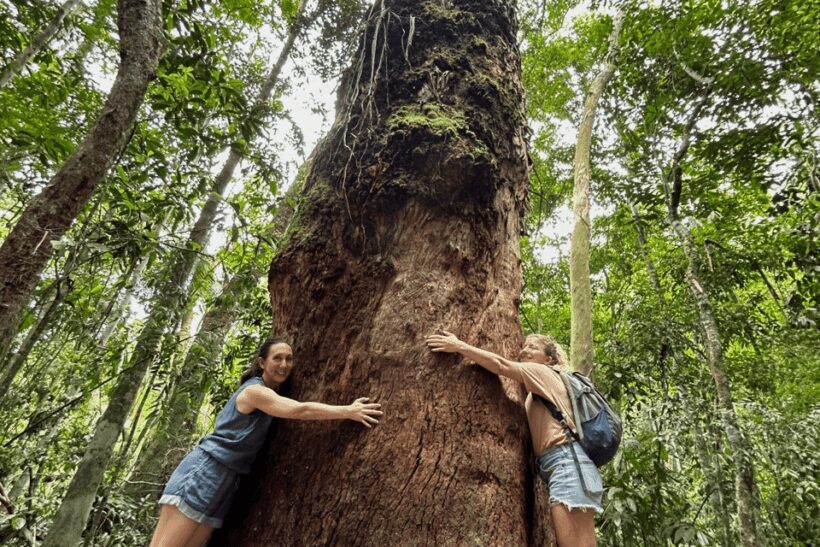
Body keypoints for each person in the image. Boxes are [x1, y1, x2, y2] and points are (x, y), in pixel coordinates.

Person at [149, 338, 383, 547]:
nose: (284, 364)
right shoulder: (255, 392)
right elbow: (299, 410)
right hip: (205, 470)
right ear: (262, 362)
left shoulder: (270, 393)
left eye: (289, 359)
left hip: (226, 480)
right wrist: (349, 411)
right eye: (277, 358)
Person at [425, 331, 602, 547]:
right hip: (574, 465)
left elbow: (500, 365)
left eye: (533, 347)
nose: (525, 351)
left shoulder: (541, 371)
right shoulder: (543, 385)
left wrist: (459, 345)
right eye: (524, 346)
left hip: (567, 464)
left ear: (549, 359)